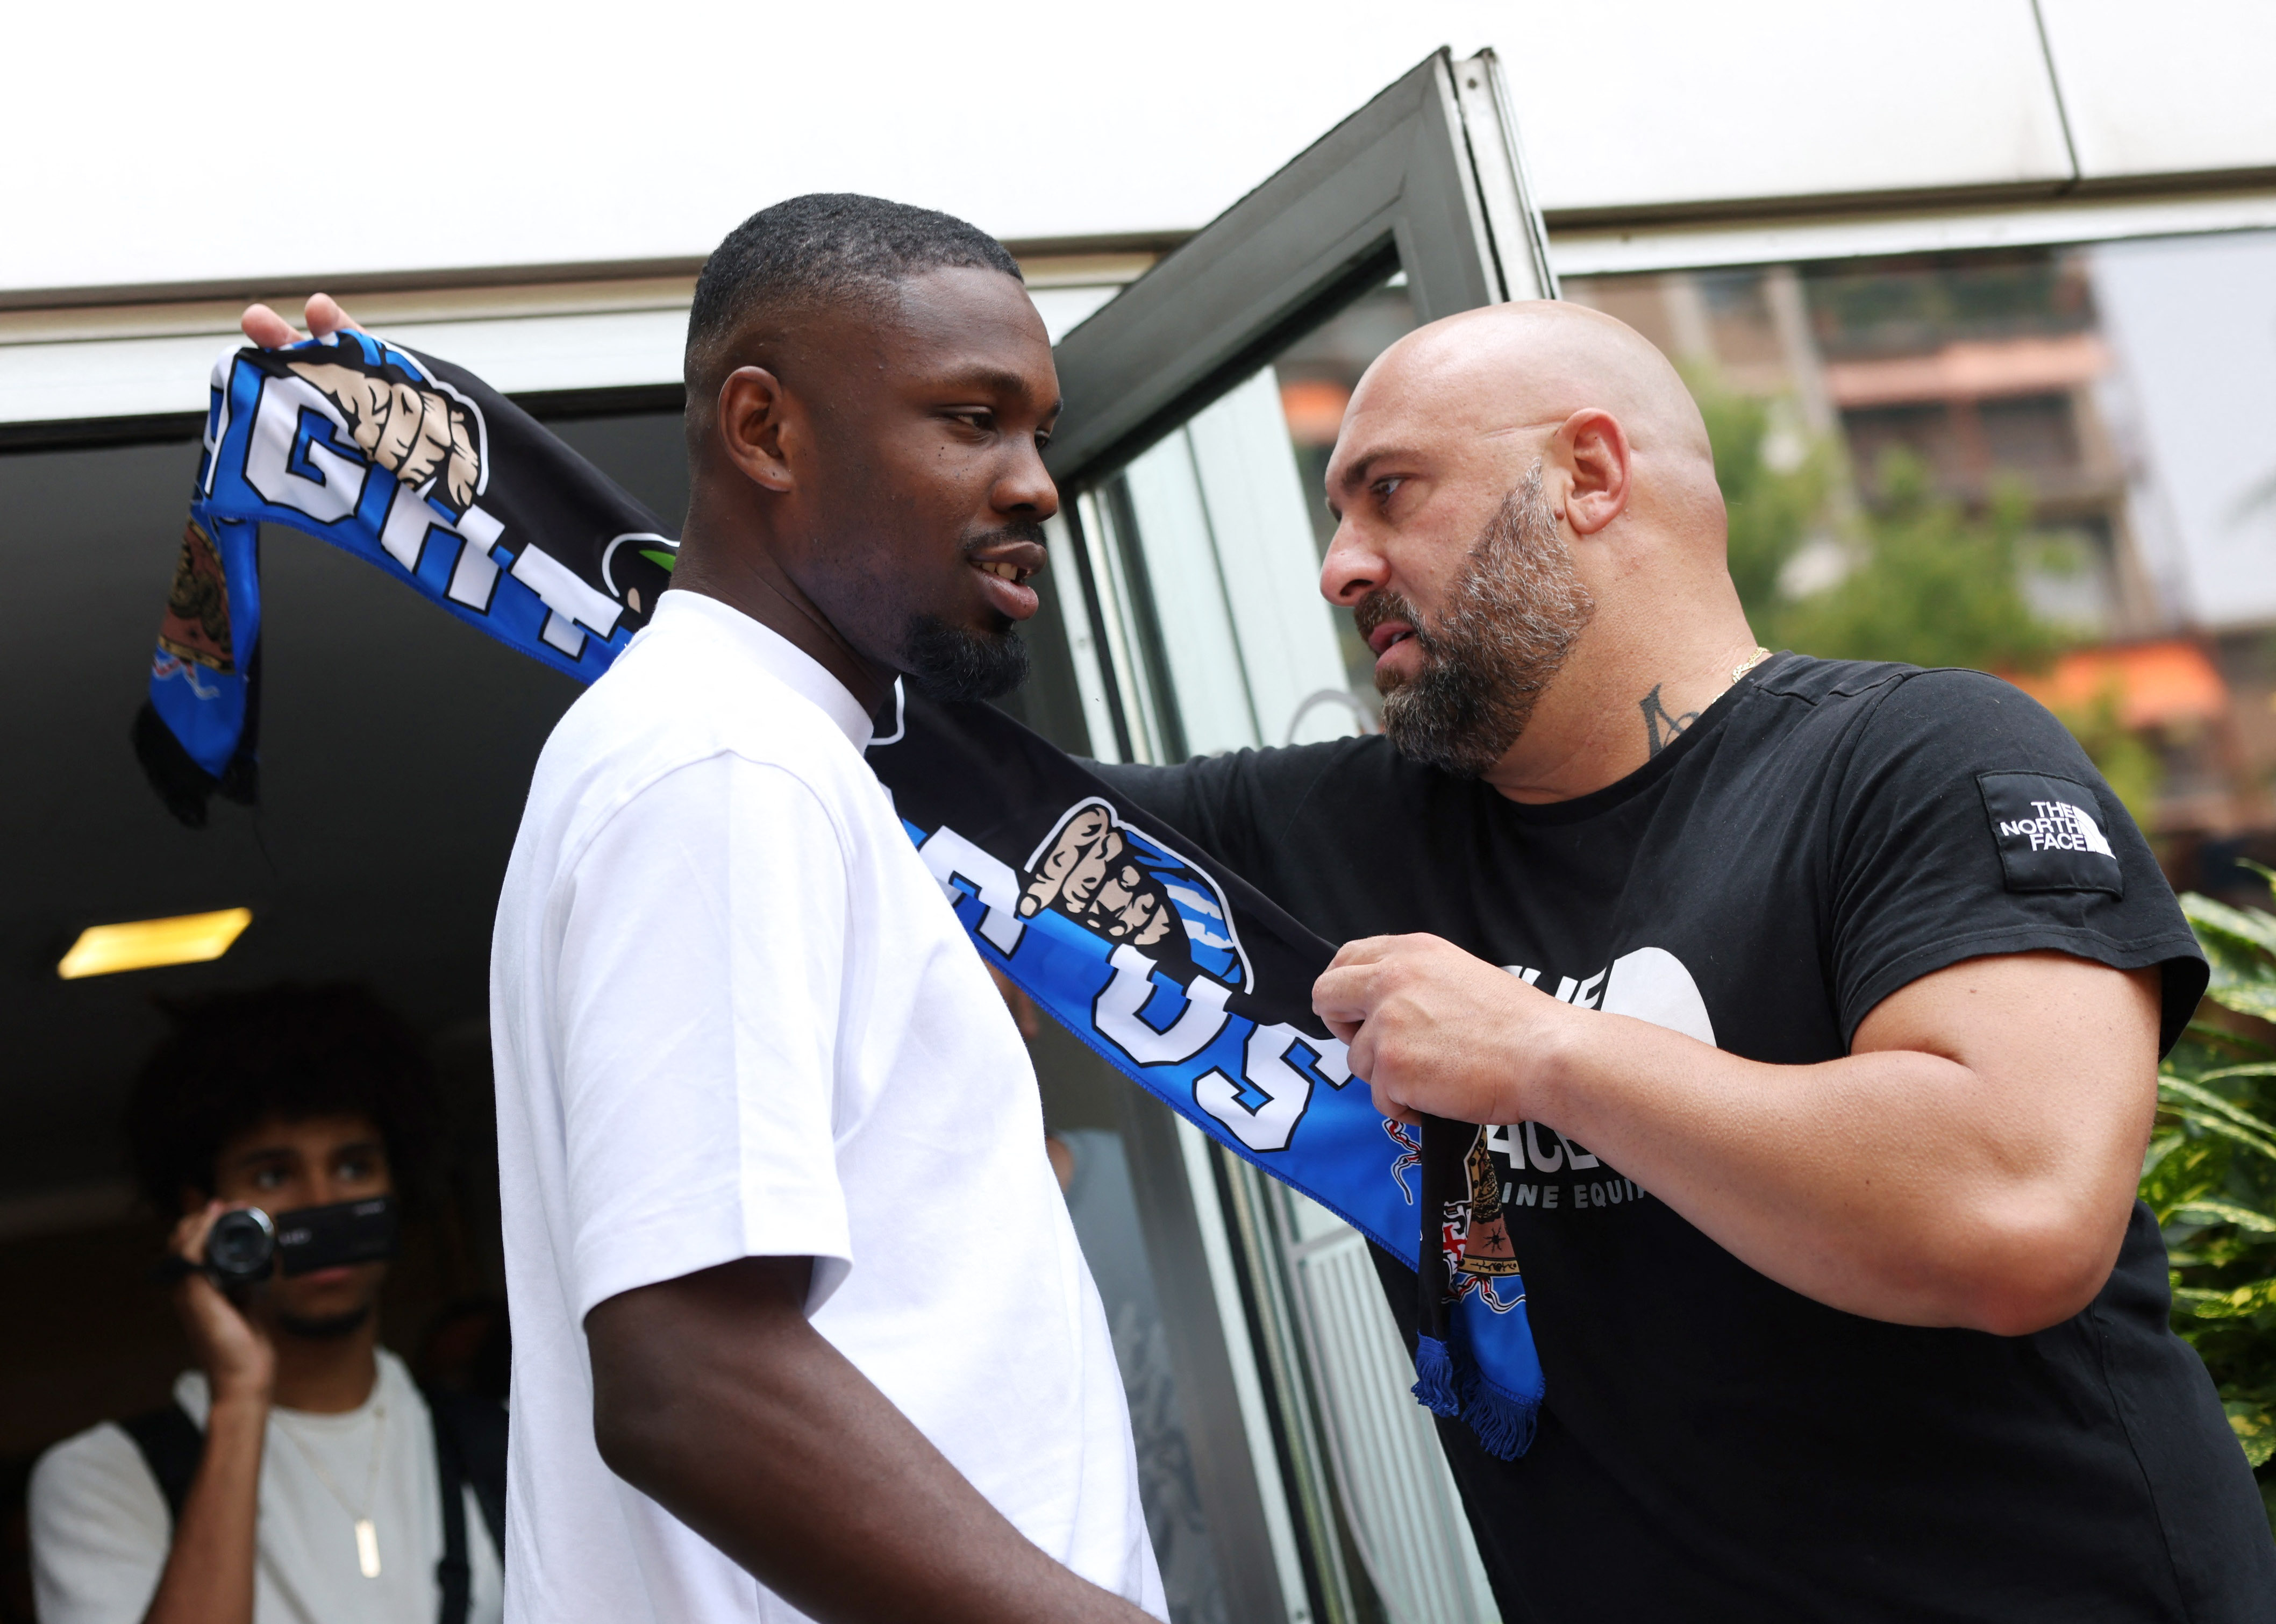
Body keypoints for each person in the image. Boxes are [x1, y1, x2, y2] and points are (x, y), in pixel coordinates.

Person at [1091, 299, 2276, 1619]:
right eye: (1335, 512)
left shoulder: (1917, 756)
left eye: (1388, 493)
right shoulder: (1335, 830)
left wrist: (1542, 1051)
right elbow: (940, 807)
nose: (1340, 565)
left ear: (1588, 475)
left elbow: (2015, 1206)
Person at [476, 195, 1161, 1624]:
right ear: (766, 431)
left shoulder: (764, 757)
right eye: (971, 418)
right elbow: (689, 1377)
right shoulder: (726, 760)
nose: (1036, 481)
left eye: (1037, 427)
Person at [28, 984, 505, 1624]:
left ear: (397, 1185)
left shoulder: (507, 1443)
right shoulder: (106, 1476)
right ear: (203, 1210)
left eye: (354, 1165)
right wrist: (240, 1397)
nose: (320, 1203)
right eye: (273, 1175)